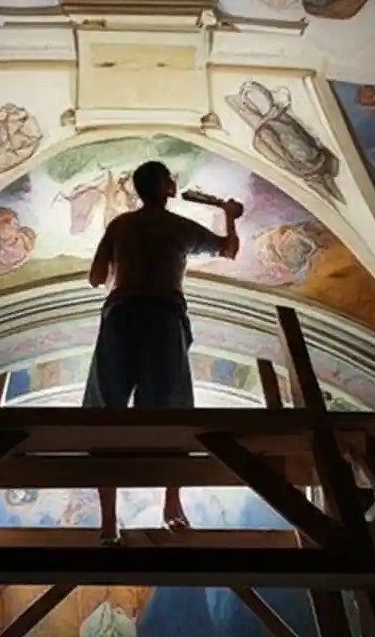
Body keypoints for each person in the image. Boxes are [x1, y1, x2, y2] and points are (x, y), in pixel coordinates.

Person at [81, 160, 243, 545]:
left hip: (121, 316)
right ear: (165, 187)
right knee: (172, 408)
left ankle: (108, 523)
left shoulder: (120, 225)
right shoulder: (177, 227)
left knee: (107, 409)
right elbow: (229, 250)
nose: (175, 183)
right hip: (164, 317)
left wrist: (123, 270)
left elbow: (94, 277)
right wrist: (230, 215)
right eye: (171, 179)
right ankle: (172, 502)